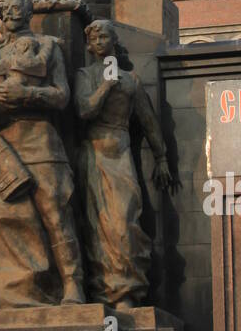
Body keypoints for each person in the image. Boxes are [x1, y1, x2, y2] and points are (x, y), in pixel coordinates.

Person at [0, 0, 87, 307]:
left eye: (20, 8)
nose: (14, 12)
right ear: (1, 14)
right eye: (9, 8)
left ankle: (73, 286)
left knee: (55, 214)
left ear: (29, 14)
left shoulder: (47, 47)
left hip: (39, 141)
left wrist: (25, 95)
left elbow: (61, 97)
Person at [74, 20, 175, 308]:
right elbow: (84, 110)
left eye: (105, 36)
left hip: (120, 156)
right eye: (94, 38)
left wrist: (162, 158)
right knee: (97, 227)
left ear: (114, 41)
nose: (99, 41)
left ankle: (127, 290)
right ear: (89, 46)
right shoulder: (84, 76)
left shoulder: (131, 80)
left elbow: (149, 122)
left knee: (124, 222)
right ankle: (105, 293)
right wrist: (106, 85)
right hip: (94, 158)